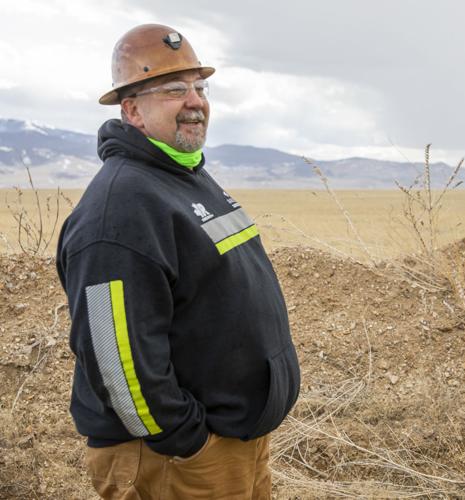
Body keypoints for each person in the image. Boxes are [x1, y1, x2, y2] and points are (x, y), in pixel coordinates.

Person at [56, 24, 300, 499]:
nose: (195, 102)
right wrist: (188, 443)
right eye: (173, 90)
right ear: (132, 110)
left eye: (199, 88)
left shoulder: (183, 179)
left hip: (235, 444)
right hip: (176, 458)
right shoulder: (120, 208)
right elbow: (115, 358)